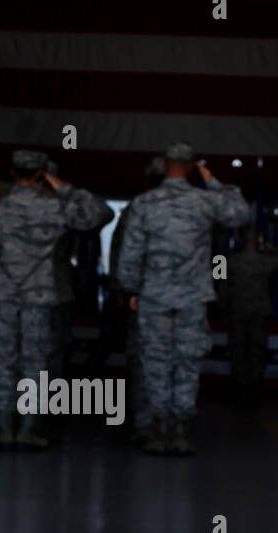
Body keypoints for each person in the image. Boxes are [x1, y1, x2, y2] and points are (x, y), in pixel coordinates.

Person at [115, 141, 250, 455]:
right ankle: (180, 432)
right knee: (187, 361)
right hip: (191, 296)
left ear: (164, 165)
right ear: (191, 167)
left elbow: (130, 253)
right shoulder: (204, 202)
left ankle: (159, 429)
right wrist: (212, 180)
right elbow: (240, 213)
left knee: (156, 361)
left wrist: (131, 289)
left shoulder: (145, 204)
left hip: (154, 296)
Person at [0, 149, 111, 449]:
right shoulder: (57, 208)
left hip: (2, 296)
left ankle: (3, 428)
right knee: (35, 363)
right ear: (41, 174)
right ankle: (28, 429)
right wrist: (63, 187)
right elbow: (101, 213)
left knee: (3, 362)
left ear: (12, 173)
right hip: (40, 295)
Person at [105, 156, 165, 444]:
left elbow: (120, 253)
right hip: (179, 302)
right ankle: (170, 425)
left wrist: (123, 291)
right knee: (175, 364)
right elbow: (214, 258)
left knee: (142, 362)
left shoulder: (135, 209)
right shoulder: (194, 206)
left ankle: (144, 425)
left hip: (142, 300)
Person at [224, 224, 278, 406]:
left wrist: (223, 310)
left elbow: (222, 288)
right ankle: (254, 387)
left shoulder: (230, 262)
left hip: (237, 311)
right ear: (257, 240)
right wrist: (272, 247)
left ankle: (239, 387)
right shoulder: (265, 261)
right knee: (257, 350)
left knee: (238, 350)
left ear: (241, 240)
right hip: (259, 313)